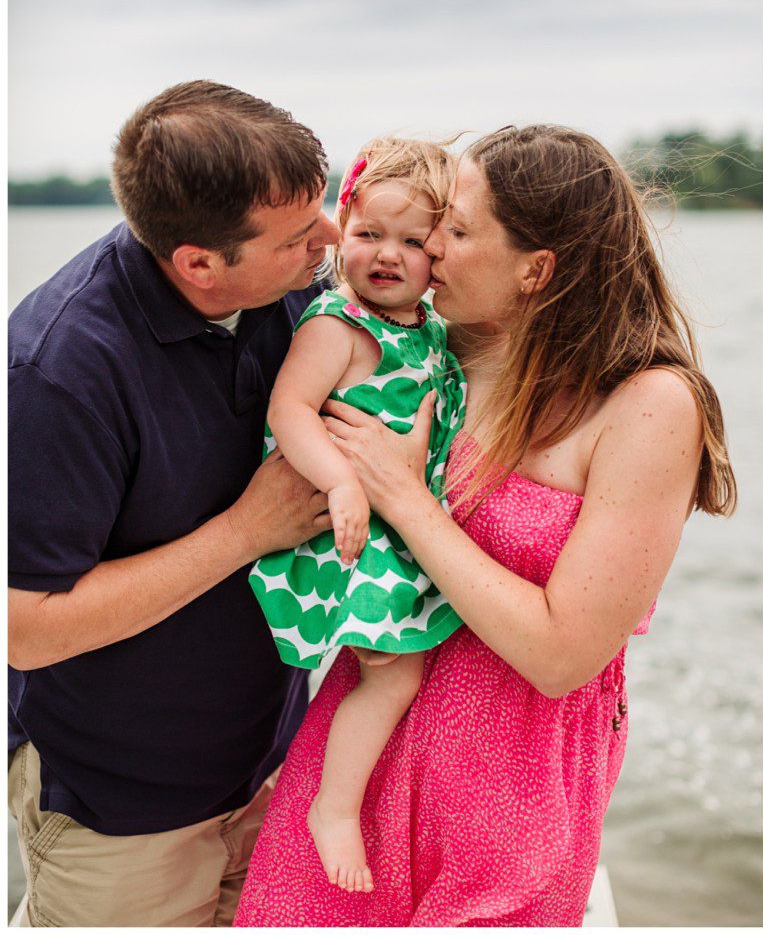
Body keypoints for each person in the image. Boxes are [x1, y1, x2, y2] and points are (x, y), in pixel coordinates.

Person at [234, 124, 736, 926]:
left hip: (510, 778)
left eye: (458, 230)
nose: (433, 243)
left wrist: (403, 498)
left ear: (536, 270)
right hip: (364, 739)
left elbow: (562, 655)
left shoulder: (648, 405)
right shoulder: (431, 346)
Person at [8, 80, 338, 926]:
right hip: (119, 815)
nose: (330, 240)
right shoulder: (56, 370)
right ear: (198, 263)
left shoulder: (292, 295)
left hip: (272, 766)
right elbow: (24, 628)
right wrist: (243, 532)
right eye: (301, 235)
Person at [248, 138, 468, 893]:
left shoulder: (426, 325)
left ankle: (361, 799)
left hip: (393, 524)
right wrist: (342, 482)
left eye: (414, 242)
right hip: (348, 532)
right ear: (343, 226)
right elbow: (291, 408)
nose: (387, 255)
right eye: (370, 233)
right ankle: (333, 809)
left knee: (400, 672)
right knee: (395, 674)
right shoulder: (337, 326)